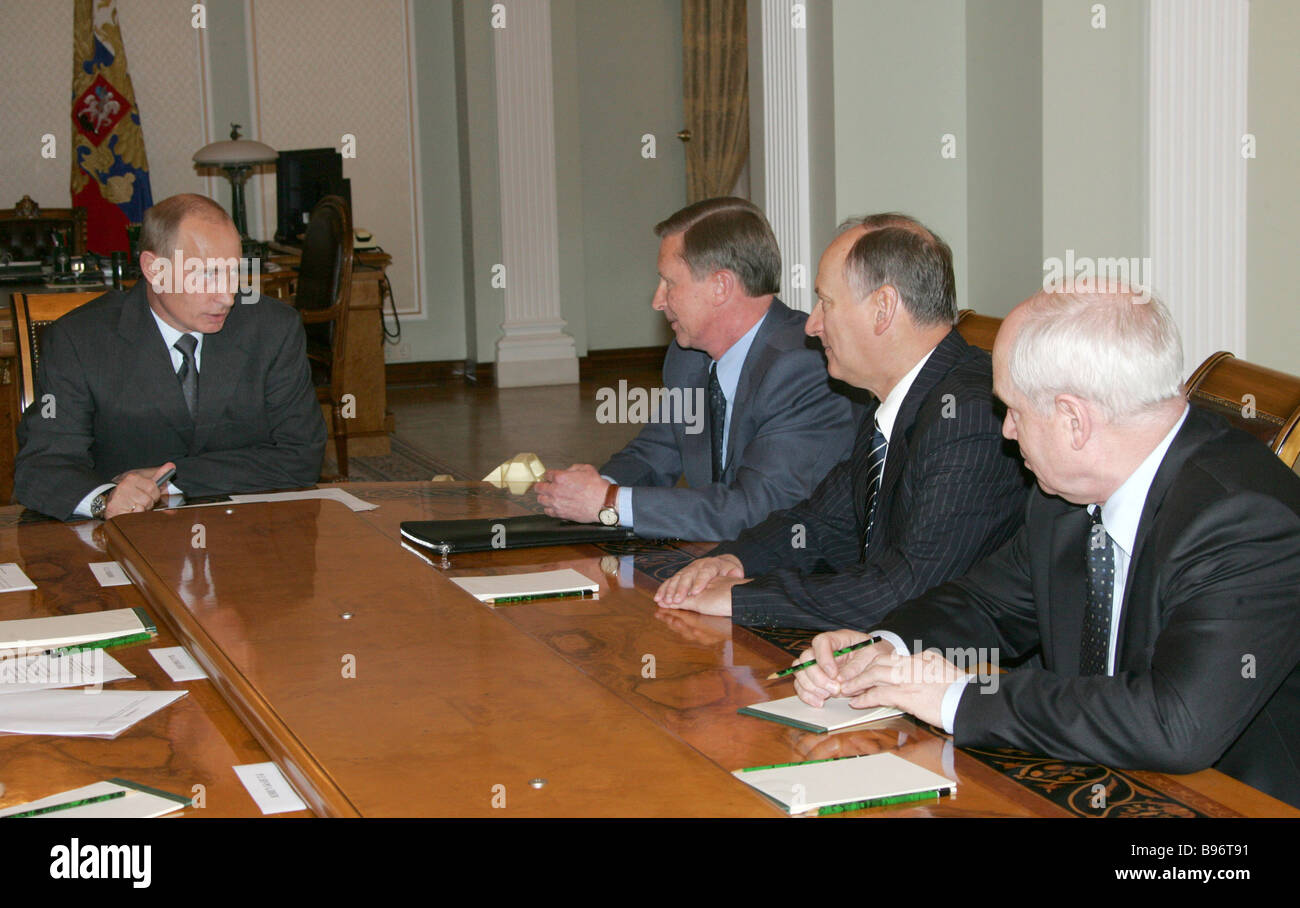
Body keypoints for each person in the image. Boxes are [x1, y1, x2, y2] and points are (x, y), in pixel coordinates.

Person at [793, 288, 1300, 808]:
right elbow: (986, 603)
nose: (1007, 432)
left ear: (1073, 420)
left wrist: (958, 698)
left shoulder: (1245, 519)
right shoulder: (1063, 497)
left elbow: (1176, 722)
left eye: (1012, 409)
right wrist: (885, 648)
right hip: (1090, 781)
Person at [654, 215, 1028, 628]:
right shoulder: (896, 396)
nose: (812, 326)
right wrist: (734, 559)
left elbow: (908, 591)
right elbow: (823, 520)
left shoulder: (968, 417)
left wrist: (747, 598)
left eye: (826, 303)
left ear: (883, 309)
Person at [536, 196, 855, 540]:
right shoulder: (688, 356)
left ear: (720, 286)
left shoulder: (804, 367)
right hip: (721, 558)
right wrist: (597, 488)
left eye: (669, 283)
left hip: (802, 567)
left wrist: (609, 502)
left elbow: (759, 510)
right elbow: (656, 452)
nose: (657, 300)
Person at [14, 193, 326, 521]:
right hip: (129, 537)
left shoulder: (272, 328)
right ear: (154, 269)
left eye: (235, 273)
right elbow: (42, 466)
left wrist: (172, 479)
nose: (228, 296)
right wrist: (105, 499)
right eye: (207, 275)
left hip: (245, 537)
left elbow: (301, 456)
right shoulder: (80, 340)